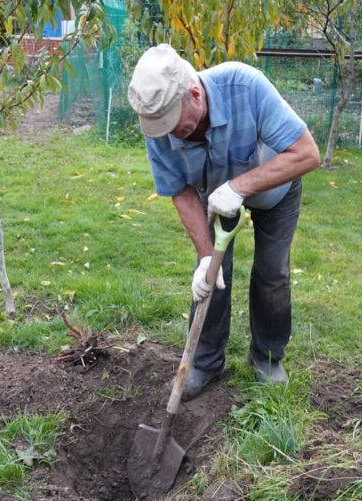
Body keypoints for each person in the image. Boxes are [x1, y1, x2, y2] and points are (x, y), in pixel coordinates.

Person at [127, 44, 321, 400]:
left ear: (196, 95)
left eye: (174, 124)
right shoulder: (158, 125)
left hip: (275, 191)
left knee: (272, 271)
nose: (168, 133)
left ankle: (267, 358)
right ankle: (204, 362)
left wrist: (238, 187)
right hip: (213, 199)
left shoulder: (245, 86)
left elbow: (307, 154)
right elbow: (180, 190)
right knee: (212, 279)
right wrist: (205, 256)